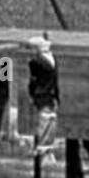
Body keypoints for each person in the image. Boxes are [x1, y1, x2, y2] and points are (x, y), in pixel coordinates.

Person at [28, 35, 60, 164]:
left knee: (51, 119)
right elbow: (34, 80)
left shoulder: (52, 58)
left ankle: (47, 149)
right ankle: (43, 149)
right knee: (45, 119)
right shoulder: (36, 61)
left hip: (50, 94)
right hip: (43, 94)